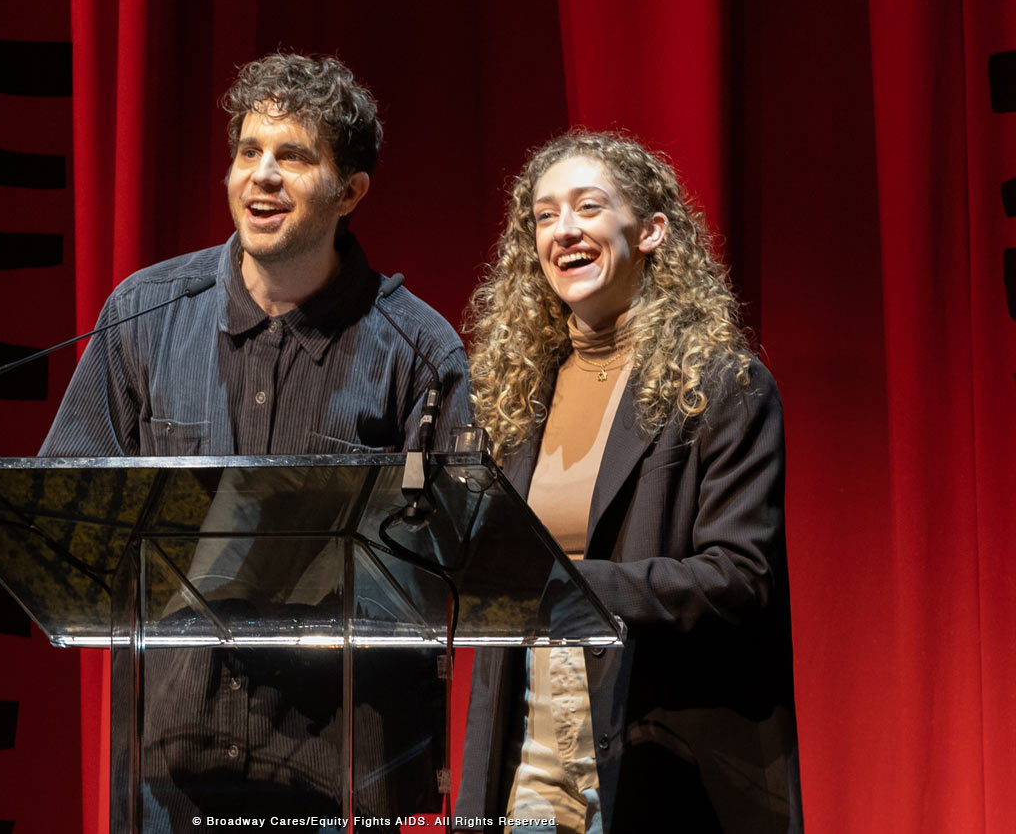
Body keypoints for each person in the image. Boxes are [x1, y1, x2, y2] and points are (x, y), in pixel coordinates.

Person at [40, 53, 470, 831]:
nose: (261, 175)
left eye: (293, 156)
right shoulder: (144, 315)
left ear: (350, 192)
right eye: (248, 151)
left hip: (344, 767)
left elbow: (450, 563)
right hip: (169, 763)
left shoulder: (419, 349)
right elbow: (68, 511)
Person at [454, 131, 802, 833]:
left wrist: (572, 586)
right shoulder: (515, 397)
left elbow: (741, 575)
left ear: (649, 231)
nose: (564, 229)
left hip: (657, 757)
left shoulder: (722, 387)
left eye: (588, 206)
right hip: (530, 753)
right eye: (545, 215)